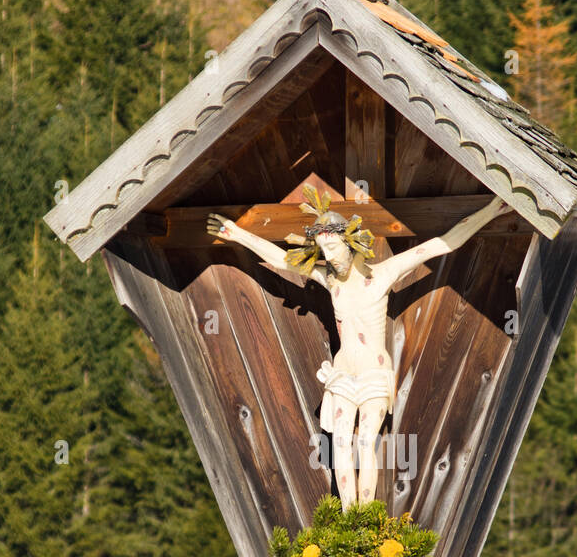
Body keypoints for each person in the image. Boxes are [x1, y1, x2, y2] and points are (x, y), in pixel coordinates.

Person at [208, 186, 509, 509]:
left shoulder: (382, 275)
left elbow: (441, 244)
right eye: (323, 248)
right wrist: (237, 234)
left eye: (334, 244)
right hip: (342, 374)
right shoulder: (330, 280)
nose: (329, 254)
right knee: (339, 445)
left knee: (365, 442)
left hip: (373, 373)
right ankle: (347, 517)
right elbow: (281, 259)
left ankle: (364, 517)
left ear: (349, 242)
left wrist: (490, 211)